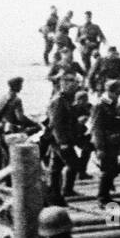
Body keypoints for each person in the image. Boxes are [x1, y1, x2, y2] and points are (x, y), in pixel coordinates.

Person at [45, 74, 82, 205]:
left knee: (56, 166)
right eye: (72, 84)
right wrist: (63, 142)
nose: (76, 87)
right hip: (60, 140)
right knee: (74, 164)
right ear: (64, 84)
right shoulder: (58, 101)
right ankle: (62, 192)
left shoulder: (66, 99)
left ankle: (57, 194)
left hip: (61, 139)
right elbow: (56, 123)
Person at [90, 79, 120, 206]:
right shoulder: (100, 105)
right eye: (117, 93)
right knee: (107, 170)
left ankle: (106, 196)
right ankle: (102, 198)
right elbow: (96, 128)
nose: (118, 96)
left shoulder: (110, 104)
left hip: (112, 142)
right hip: (105, 143)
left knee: (113, 168)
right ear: (110, 92)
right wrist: (100, 148)